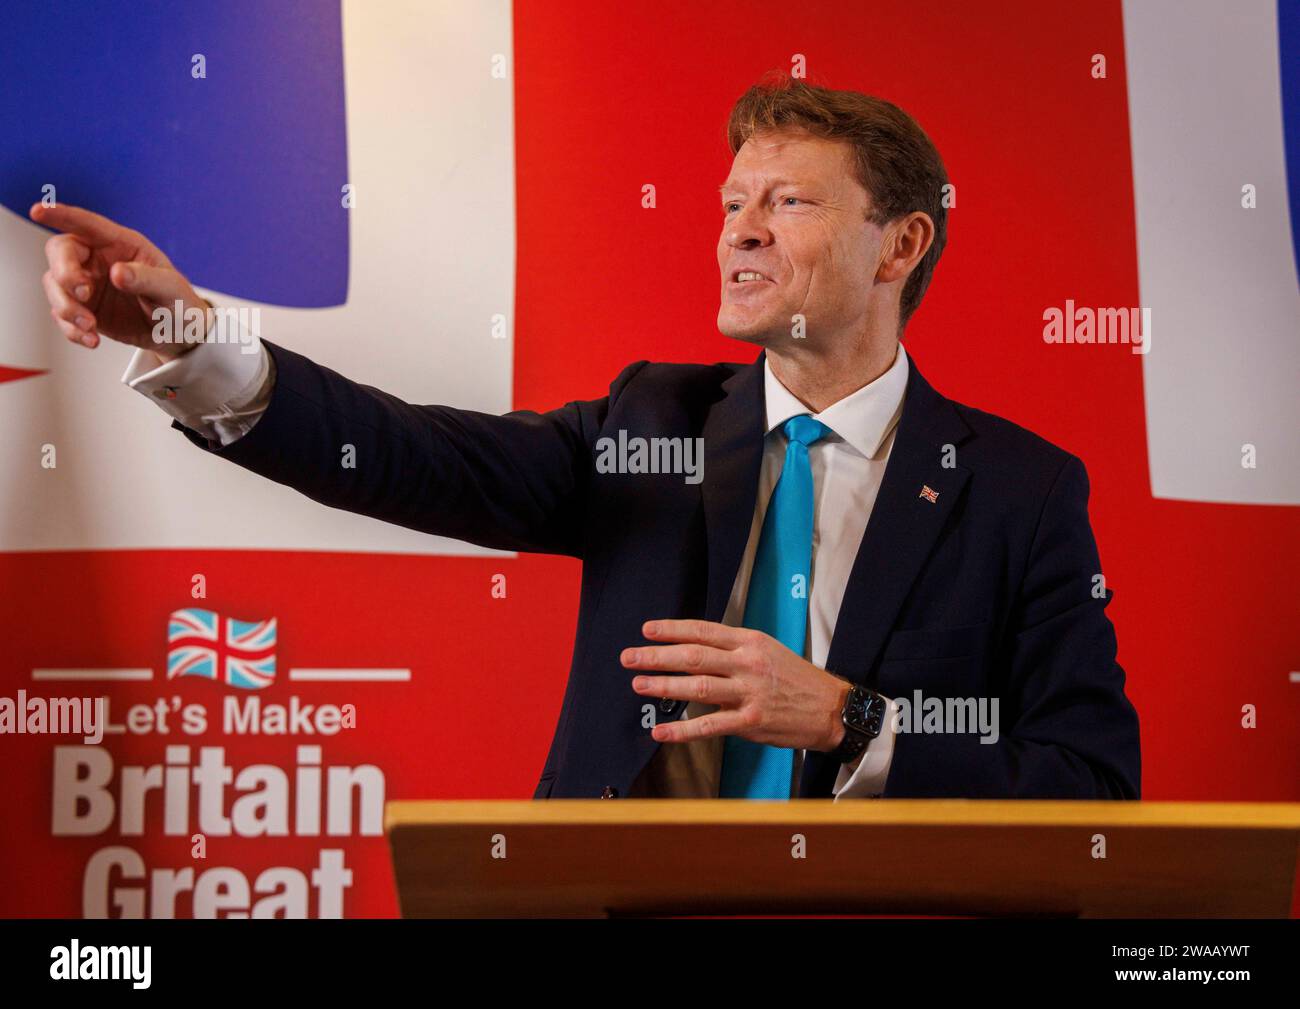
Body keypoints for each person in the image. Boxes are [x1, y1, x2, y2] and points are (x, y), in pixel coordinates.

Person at [31, 78, 1140, 800]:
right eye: (729, 203)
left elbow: (1090, 781)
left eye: (789, 204)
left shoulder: (1018, 491)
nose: (739, 230)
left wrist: (850, 720)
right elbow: (409, 451)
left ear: (899, 245)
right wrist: (196, 341)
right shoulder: (648, 425)